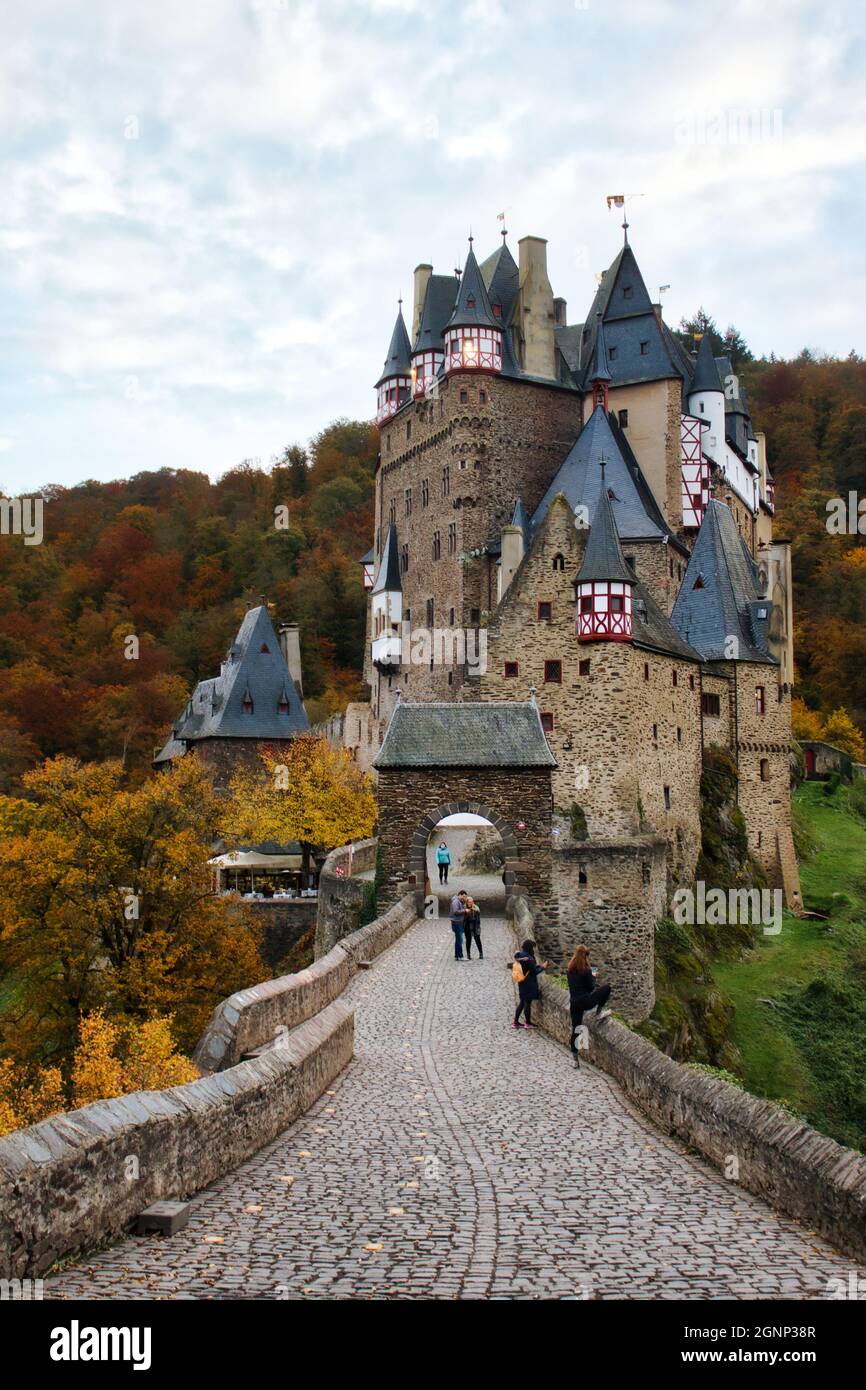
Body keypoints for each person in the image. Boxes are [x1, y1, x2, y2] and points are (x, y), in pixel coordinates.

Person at [566, 944, 612, 1067]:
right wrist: (593, 977)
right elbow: (591, 987)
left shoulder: (570, 970)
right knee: (607, 988)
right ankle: (599, 1013)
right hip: (585, 1002)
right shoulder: (586, 971)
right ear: (585, 956)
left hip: (574, 1003)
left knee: (576, 1029)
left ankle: (575, 1060)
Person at [512, 939, 547, 1028]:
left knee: (522, 1002)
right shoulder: (529, 958)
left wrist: (539, 966)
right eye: (533, 948)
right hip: (529, 983)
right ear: (530, 948)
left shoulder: (520, 955)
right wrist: (543, 968)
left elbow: (529, 968)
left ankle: (515, 1022)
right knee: (527, 1003)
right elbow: (534, 971)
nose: (533, 950)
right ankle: (527, 1023)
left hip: (521, 982)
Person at [463, 895, 483, 960]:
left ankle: (481, 953)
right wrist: (466, 913)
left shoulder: (476, 909)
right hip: (467, 927)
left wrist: (477, 928)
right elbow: (463, 919)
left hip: (475, 926)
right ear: (467, 902)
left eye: (471, 902)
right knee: (468, 941)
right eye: (469, 902)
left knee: (477, 940)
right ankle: (468, 954)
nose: (470, 903)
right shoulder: (464, 909)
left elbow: (477, 920)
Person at [449, 889, 468, 960]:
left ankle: (457, 955)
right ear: (459, 895)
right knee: (459, 940)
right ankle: (460, 956)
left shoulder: (460, 901)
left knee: (458, 940)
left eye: (465, 897)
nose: (464, 898)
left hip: (459, 922)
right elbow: (455, 911)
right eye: (463, 896)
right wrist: (464, 910)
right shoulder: (455, 902)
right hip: (456, 923)